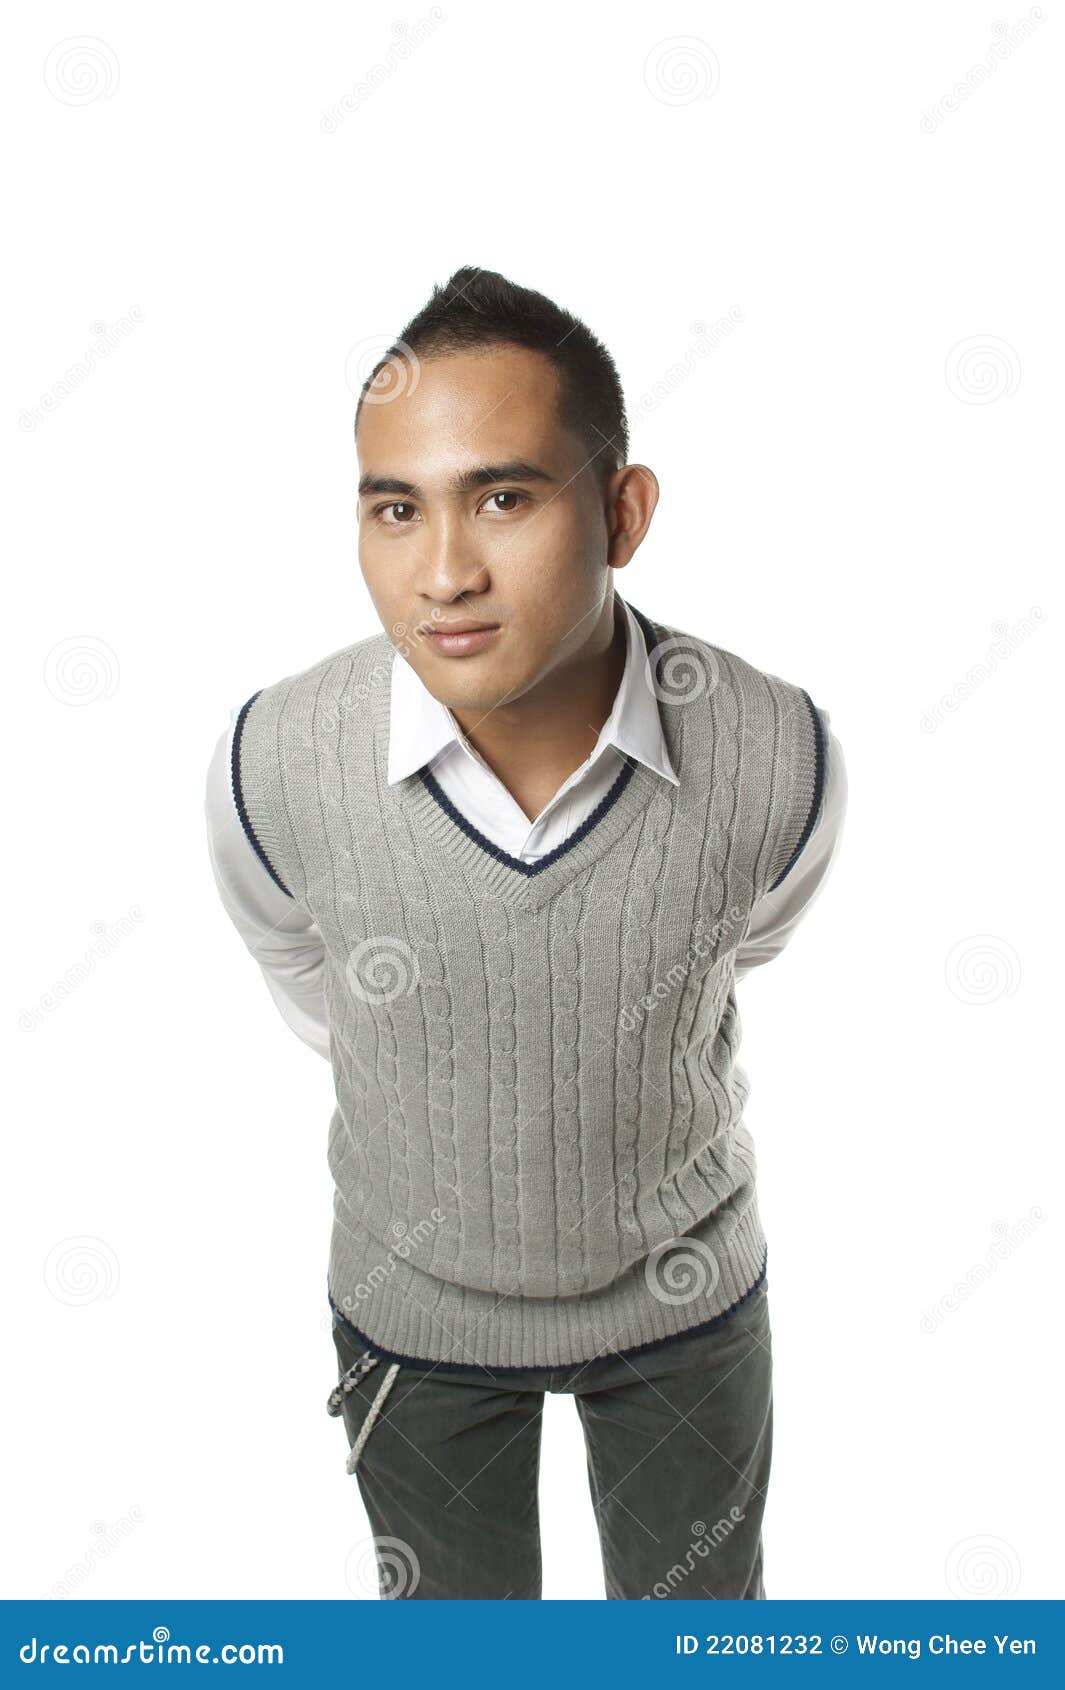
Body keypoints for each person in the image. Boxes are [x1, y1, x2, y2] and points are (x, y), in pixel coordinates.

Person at [204, 266, 847, 1601]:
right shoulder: (274, 760)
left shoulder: (777, 754)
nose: (442, 570)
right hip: (414, 1315)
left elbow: (739, 938)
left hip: (683, 1304)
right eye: (396, 507)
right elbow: (302, 961)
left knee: (697, 1648)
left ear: (622, 511)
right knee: (454, 1655)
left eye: (502, 496)